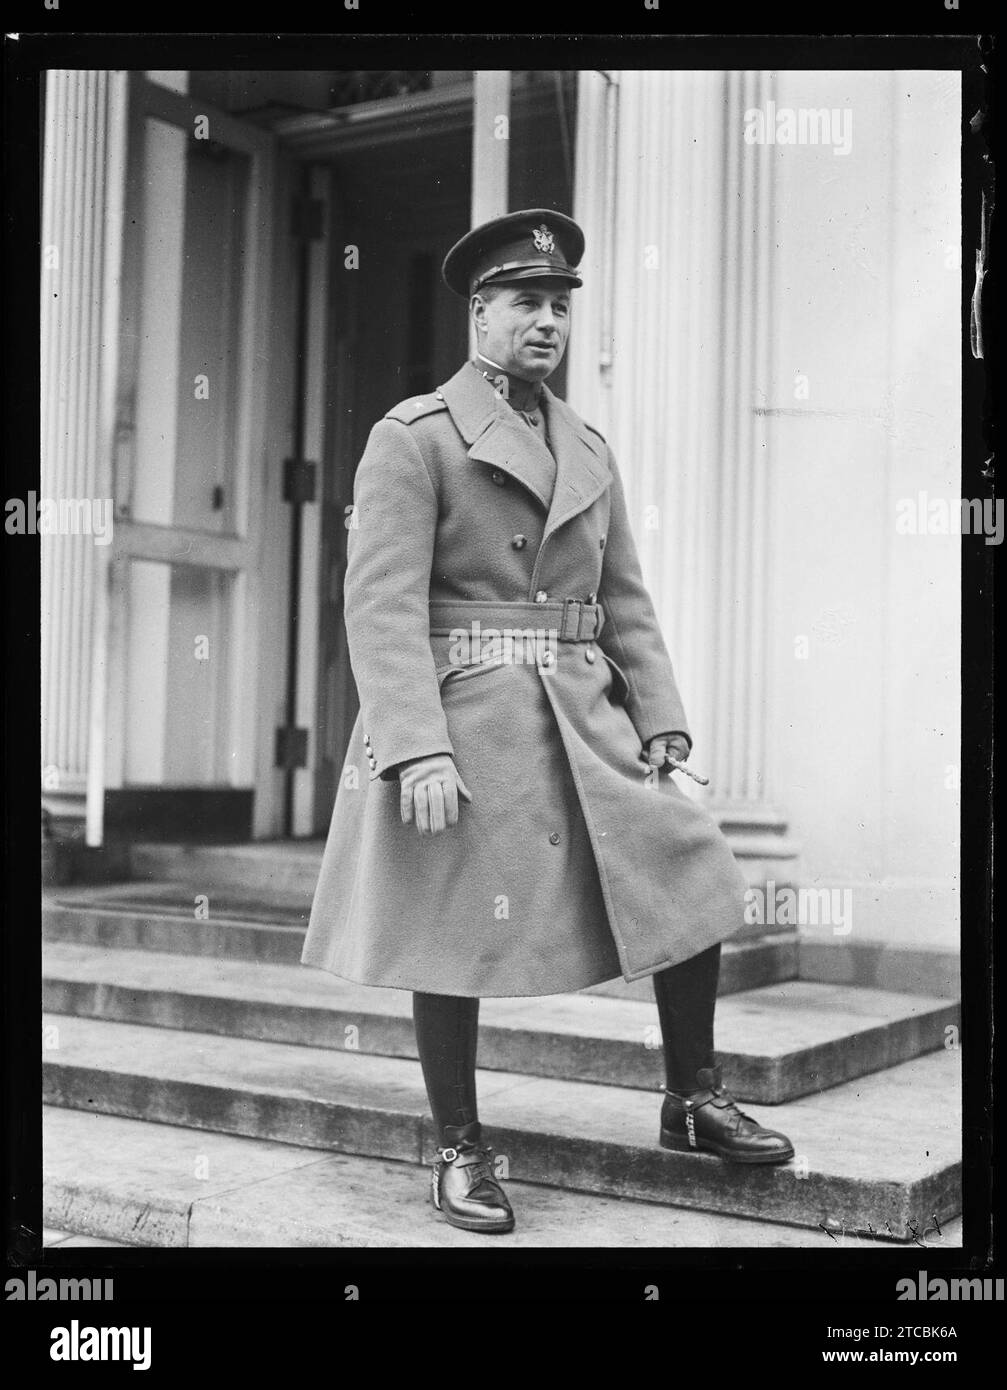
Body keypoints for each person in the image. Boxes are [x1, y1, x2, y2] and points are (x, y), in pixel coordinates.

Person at [301, 208, 794, 1236]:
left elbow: (625, 595)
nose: (545, 321)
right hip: (466, 708)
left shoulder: (586, 443)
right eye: (524, 302)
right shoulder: (413, 438)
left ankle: (690, 1098)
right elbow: (379, 604)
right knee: (446, 926)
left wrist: (659, 714)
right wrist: (415, 745)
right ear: (478, 313)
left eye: (559, 304)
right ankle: (459, 1149)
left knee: (688, 866)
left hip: (580, 708)